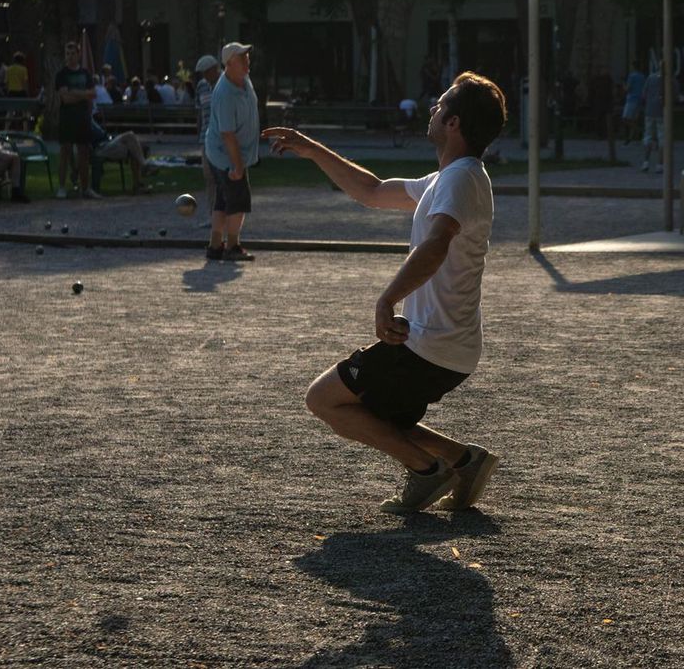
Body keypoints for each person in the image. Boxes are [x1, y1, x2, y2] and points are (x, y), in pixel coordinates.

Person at [261, 71, 507, 514]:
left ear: (453, 123)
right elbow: (371, 191)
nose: (432, 108)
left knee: (324, 399)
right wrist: (310, 147)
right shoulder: (449, 178)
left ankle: (427, 471)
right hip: (447, 345)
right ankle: (465, 461)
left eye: (441, 104)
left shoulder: (460, 179)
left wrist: (386, 299)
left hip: (430, 343)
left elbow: (436, 243)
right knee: (381, 416)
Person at [204, 42, 260, 262]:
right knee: (237, 201)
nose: (247, 61)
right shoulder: (225, 93)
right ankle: (232, 246)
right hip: (225, 155)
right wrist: (237, 166)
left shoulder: (243, 79)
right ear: (229, 64)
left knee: (222, 201)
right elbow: (228, 135)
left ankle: (215, 246)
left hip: (224, 153)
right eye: (242, 58)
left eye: (247, 56)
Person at [54, 40, 99, 200]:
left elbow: (93, 94)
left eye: (73, 53)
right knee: (65, 152)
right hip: (67, 118)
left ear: (78, 54)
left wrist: (75, 92)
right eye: (67, 53)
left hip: (83, 118)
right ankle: (61, 187)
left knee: (83, 153)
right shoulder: (61, 75)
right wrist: (83, 94)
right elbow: (65, 98)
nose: (70, 56)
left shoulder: (86, 74)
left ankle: (85, 187)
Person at [194, 54, 221, 228]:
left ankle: (225, 215)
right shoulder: (201, 86)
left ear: (214, 69)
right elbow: (198, 112)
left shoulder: (226, 84)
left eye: (206, 72)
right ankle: (212, 215)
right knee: (209, 177)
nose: (204, 76)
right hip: (205, 137)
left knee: (223, 178)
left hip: (222, 138)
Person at [639, 66, 663, 174]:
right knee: (662, 138)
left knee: (648, 137)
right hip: (662, 112)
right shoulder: (669, 79)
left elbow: (644, 94)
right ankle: (659, 164)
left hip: (649, 111)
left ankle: (645, 162)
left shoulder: (650, 78)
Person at [620, 61, 645, 145]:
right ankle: (630, 138)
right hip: (639, 99)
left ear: (633, 67)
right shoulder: (642, 76)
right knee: (634, 120)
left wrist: (623, 82)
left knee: (625, 119)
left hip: (631, 99)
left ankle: (641, 131)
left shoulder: (632, 76)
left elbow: (627, 89)